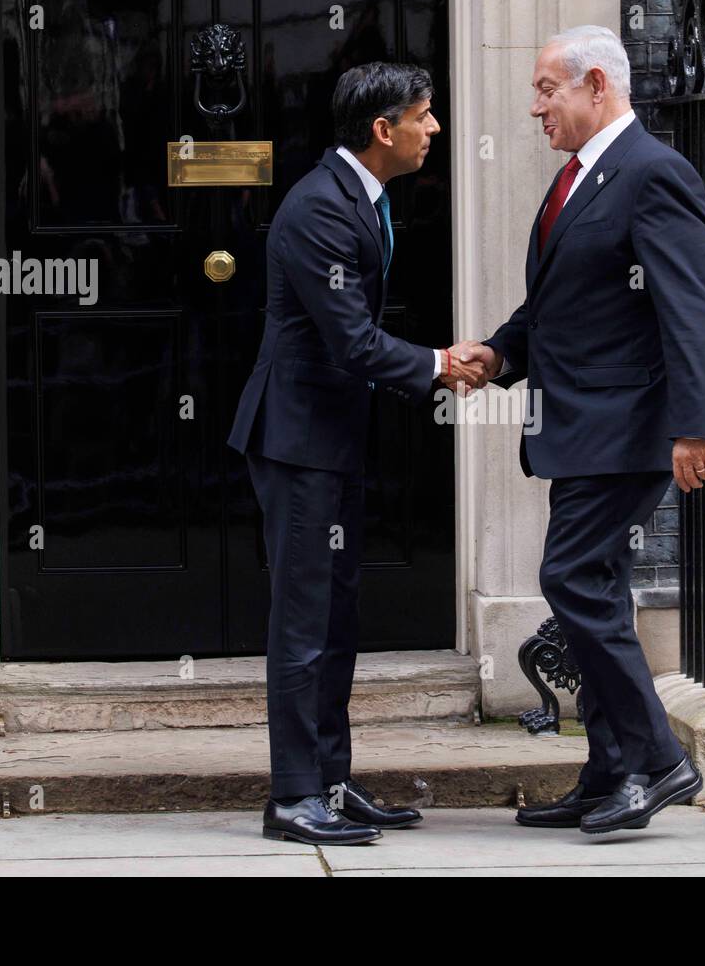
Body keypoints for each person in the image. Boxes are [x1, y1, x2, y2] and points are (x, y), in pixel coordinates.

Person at [457, 25, 705, 834]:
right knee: (595, 589)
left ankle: (659, 759)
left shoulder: (652, 174)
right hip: (583, 429)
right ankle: (612, 773)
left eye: (548, 89)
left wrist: (694, 429)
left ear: (597, 85)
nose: (535, 105)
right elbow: (559, 312)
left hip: (630, 429)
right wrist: (498, 355)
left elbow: (692, 308)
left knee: (570, 578)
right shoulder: (578, 179)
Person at [227, 61, 486, 846]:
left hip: (328, 440)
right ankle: (292, 797)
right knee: (303, 622)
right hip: (297, 441)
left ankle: (330, 784)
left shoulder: (359, 200)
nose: (433, 129)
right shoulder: (318, 211)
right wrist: (441, 364)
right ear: (384, 130)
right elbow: (348, 339)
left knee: (335, 617)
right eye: (424, 115)